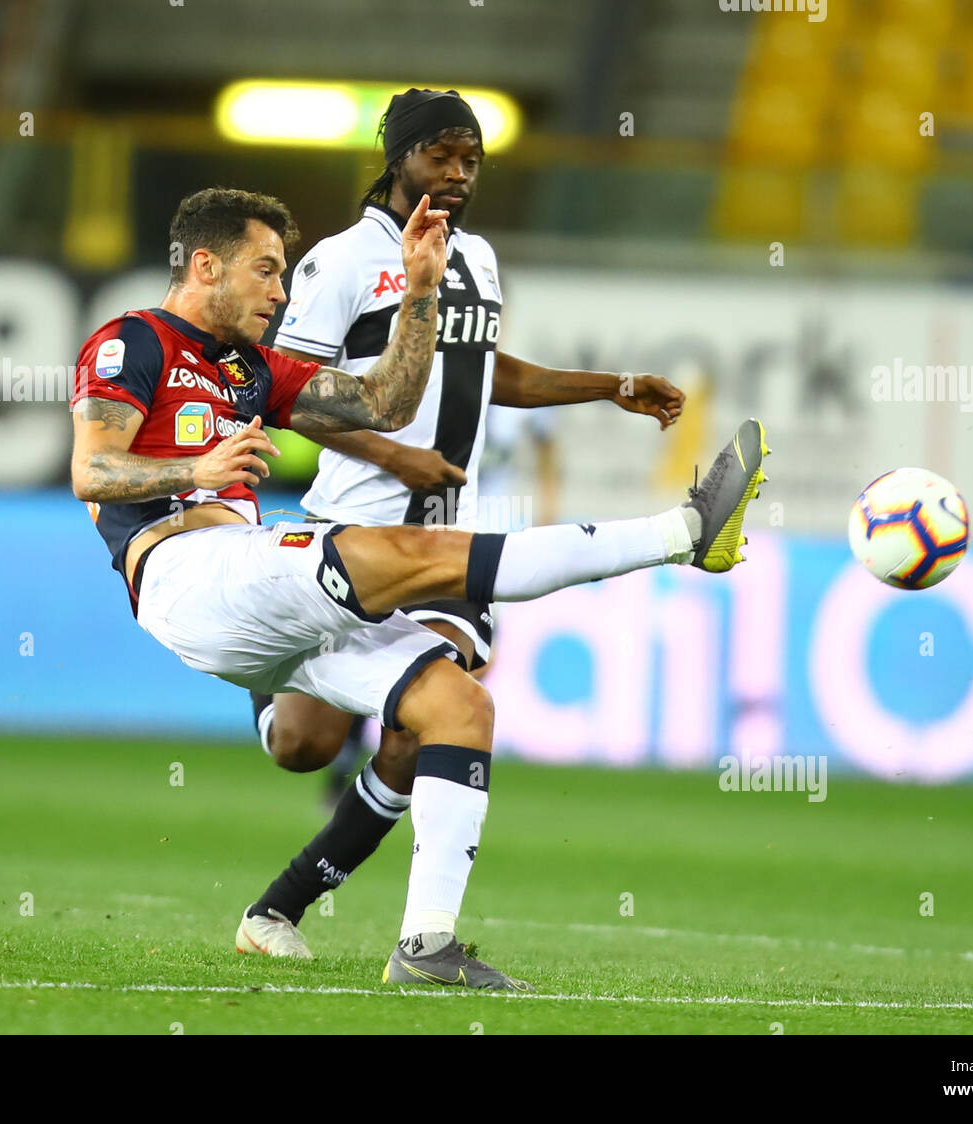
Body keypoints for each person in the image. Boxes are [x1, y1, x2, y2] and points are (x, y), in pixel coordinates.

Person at [70, 184, 770, 991]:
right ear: (205, 264)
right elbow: (92, 470)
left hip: (252, 576)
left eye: (284, 273)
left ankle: (425, 948)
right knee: (415, 554)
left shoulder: (253, 370)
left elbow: (386, 405)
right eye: (265, 271)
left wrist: (422, 291)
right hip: (183, 573)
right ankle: (682, 535)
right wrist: (198, 468)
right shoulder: (134, 341)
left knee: (458, 708)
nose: (280, 291)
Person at [245, 88, 689, 956]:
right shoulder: (341, 263)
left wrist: (608, 386)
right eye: (439, 155)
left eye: (471, 160)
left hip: (447, 548)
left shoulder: (477, 258)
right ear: (398, 158)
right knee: (301, 747)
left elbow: (486, 373)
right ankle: (256, 663)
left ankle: (336, 922)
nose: (455, 174)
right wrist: (392, 455)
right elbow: (284, 393)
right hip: (350, 533)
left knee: (432, 724)